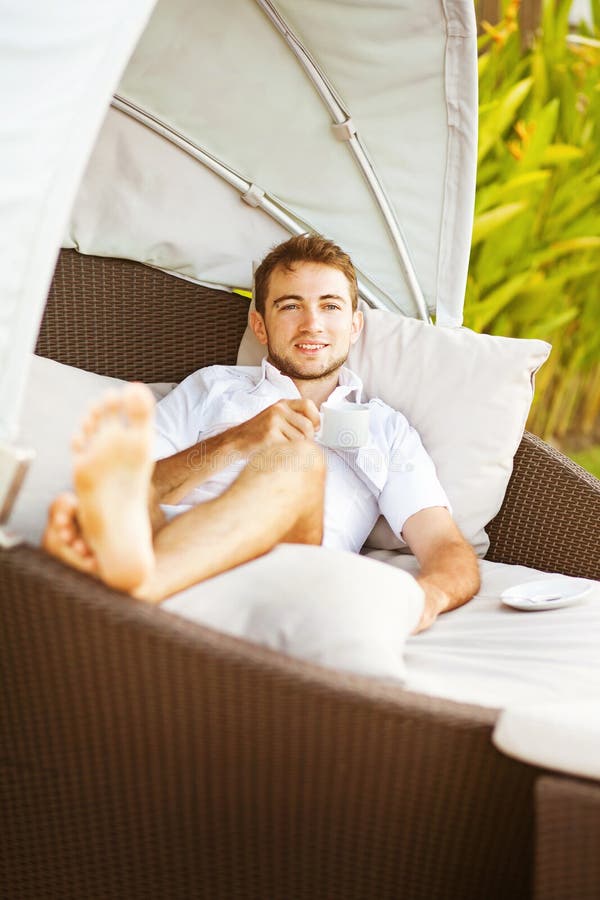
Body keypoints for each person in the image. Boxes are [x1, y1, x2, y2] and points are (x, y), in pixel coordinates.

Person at [43, 235, 480, 631]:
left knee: (297, 461)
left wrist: (427, 598)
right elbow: (133, 491)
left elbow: (445, 546)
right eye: (290, 306)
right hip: (166, 537)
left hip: (282, 575)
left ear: (354, 324)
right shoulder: (212, 387)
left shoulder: (386, 428)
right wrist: (237, 440)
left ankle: (136, 593)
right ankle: (146, 576)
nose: (312, 324)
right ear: (260, 325)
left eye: (330, 306)